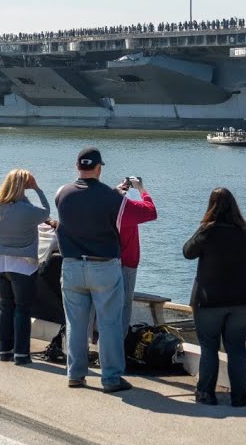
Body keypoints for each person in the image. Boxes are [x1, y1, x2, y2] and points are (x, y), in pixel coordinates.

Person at [55, 146, 132, 393]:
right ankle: (110, 378)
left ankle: (75, 374)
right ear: (98, 168)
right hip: (104, 265)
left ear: (78, 166)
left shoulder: (62, 193)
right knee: (109, 323)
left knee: (75, 324)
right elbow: (113, 214)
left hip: (72, 265)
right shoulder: (112, 196)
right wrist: (117, 193)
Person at [182, 187, 246, 406]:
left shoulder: (207, 231)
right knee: (236, 348)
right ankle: (240, 395)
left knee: (209, 347)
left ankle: (206, 393)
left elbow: (187, 252)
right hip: (241, 299)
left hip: (209, 299)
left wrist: (202, 229)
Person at [0, 168, 51, 364]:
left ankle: (5, 351)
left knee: (5, 306)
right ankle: (21, 354)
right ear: (25, 186)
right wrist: (37, 189)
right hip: (22, 265)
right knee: (22, 309)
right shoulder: (28, 211)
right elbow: (46, 211)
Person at [116, 176, 157, 330]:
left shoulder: (103, 206)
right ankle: (119, 347)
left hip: (105, 262)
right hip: (126, 263)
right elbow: (151, 210)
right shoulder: (127, 209)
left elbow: (110, 196)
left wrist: (118, 189)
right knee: (124, 307)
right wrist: (141, 189)